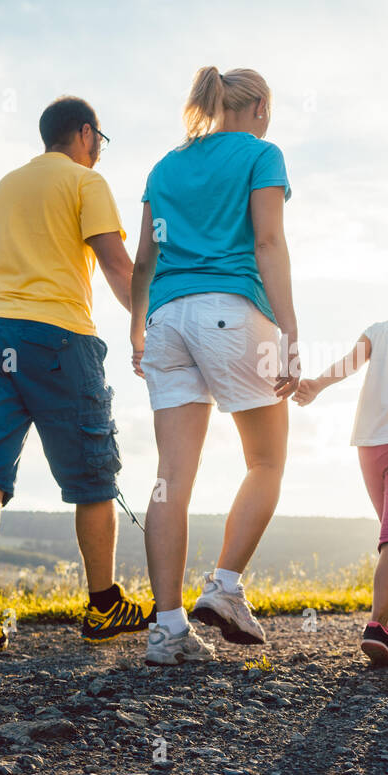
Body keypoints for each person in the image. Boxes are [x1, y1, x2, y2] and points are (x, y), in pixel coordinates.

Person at [0, 96, 153, 654]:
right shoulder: (85, 183)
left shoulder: (6, 186)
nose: (99, 153)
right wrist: (148, 327)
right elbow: (115, 263)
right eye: (100, 141)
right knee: (93, 471)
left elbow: (7, 260)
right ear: (85, 134)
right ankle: (104, 605)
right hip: (58, 335)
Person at [130, 67, 300, 666]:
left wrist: (136, 329)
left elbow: (144, 262)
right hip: (230, 310)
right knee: (267, 460)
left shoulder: (165, 166)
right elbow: (268, 244)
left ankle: (169, 629)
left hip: (166, 320)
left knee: (170, 476)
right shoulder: (261, 153)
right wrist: (289, 327)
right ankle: (225, 586)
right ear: (256, 106)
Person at [294, 319, 388, 666]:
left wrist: (318, 385)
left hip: (370, 444)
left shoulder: (381, 329)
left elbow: (348, 362)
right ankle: (376, 627)